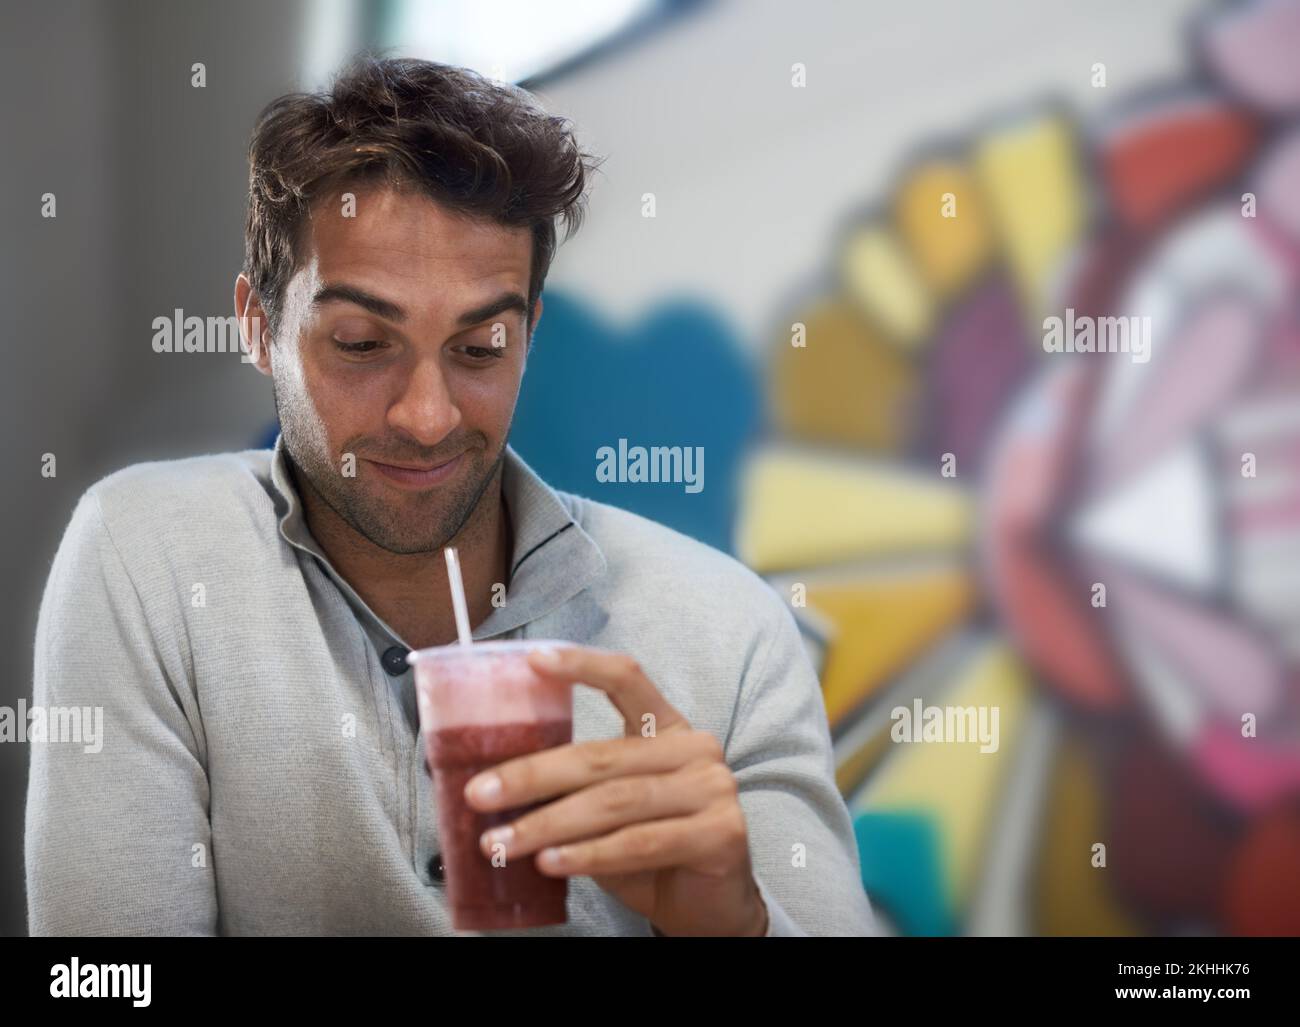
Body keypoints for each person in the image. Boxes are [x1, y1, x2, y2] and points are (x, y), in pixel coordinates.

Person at [26, 56, 876, 937]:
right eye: (360, 343)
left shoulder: (727, 631)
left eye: (479, 349)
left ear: (529, 335)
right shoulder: (147, 557)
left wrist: (738, 926)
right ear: (257, 326)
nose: (427, 418)